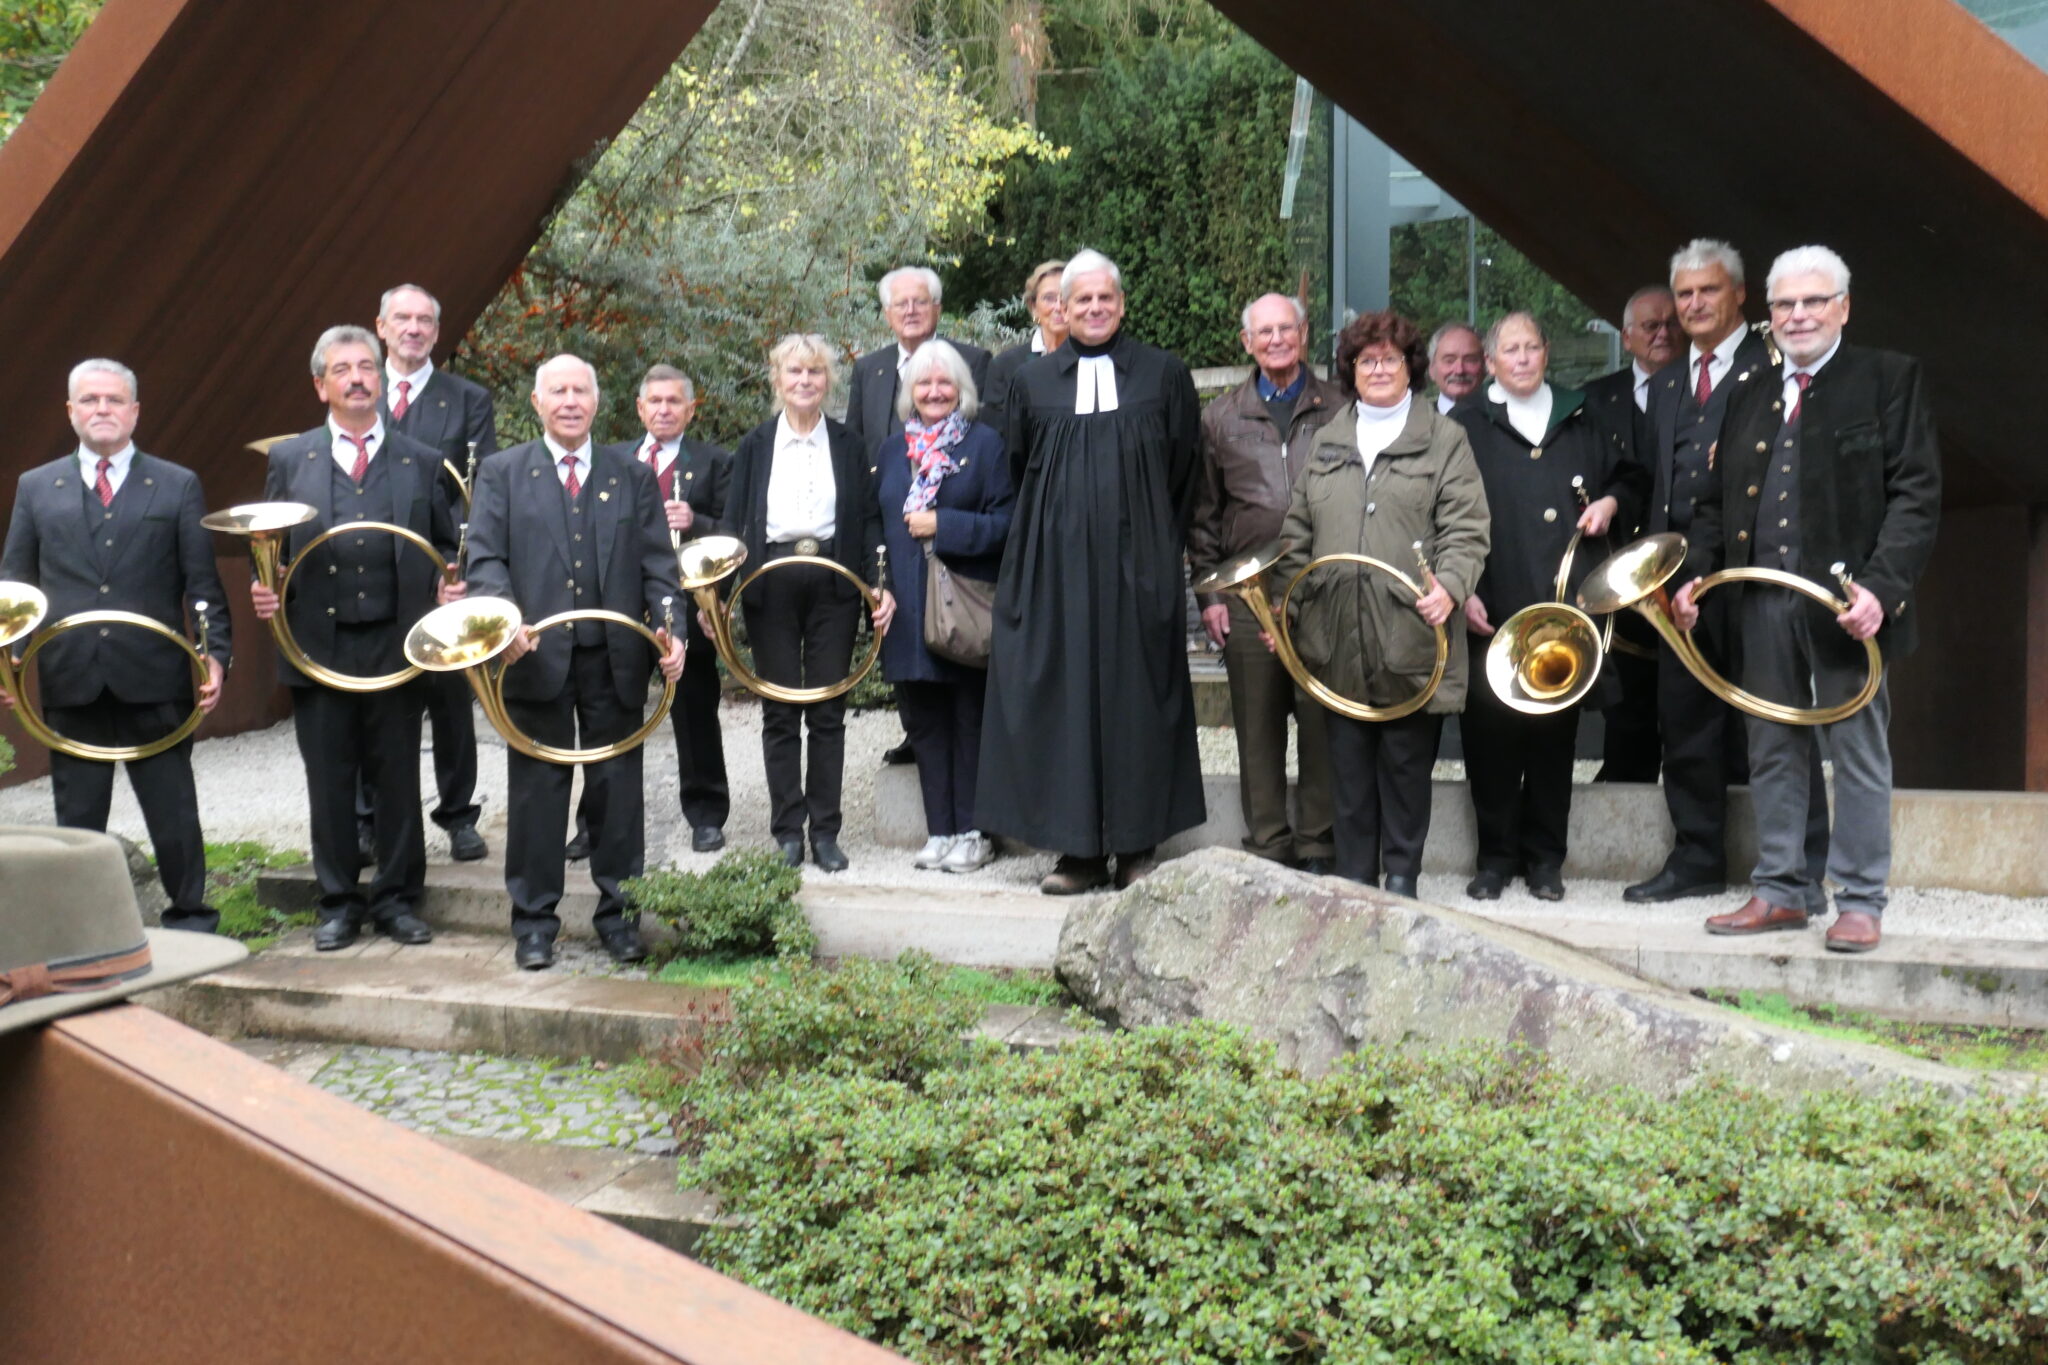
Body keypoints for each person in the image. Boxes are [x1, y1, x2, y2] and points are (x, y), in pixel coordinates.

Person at [1675, 246, 1940, 953]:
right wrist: (1695, 575)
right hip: (1759, 599)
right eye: (1785, 304)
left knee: (1857, 749)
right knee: (1771, 746)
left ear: (1843, 307)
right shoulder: (1748, 390)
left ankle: (1858, 899)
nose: (1798, 316)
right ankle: (1783, 889)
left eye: (1813, 302)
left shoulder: (1887, 378)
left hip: (1849, 610)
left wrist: (1881, 591)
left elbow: (1916, 497)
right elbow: (1712, 502)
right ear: (1769, 314)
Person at [978, 248, 1205, 893]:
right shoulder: (1033, 381)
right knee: (1063, 703)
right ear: (1061, 309)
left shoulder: (1162, 375)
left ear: (1122, 304)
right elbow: (1022, 468)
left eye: (1106, 298)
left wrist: (1155, 543)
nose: (1095, 308)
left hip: (1139, 572)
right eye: (1082, 301)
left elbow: (1184, 469)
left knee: (1139, 702)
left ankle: (1136, 848)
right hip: (1056, 575)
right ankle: (1076, 853)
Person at [464, 355, 685, 971]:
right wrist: (503, 624)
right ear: (536, 402)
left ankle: (620, 917)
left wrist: (673, 631)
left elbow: (658, 568)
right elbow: (484, 563)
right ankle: (534, 923)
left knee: (619, 795)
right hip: (534, 660)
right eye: (556, 390)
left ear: (597, 400)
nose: (569, 400)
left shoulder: (632, 474)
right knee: (537, 795)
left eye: (580, 390)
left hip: (615, 661)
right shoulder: (504, 473)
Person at [1, 359, 233, 932]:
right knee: (76, 822)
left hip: (154, 676)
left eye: (113, 400)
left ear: (134, 411)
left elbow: (202, 584)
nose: (101, 410)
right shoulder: (36, 487)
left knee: (174, 812)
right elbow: (15, 586)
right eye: (89, 400)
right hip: (70, 678)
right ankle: (78, 930)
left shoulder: (177, 483)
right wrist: (10, 661)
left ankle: (191, 920)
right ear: (71, 412)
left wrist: (217, 654)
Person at [1269, 311, 1489, 894]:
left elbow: (1467, 527)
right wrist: (1281, 611)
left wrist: (1451, 584)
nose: (1379, 369)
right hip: (1336, 634)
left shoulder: (1445, 439)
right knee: (1346, 768)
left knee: (1405, 766)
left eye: (1391, 359)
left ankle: (1402, 877)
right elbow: (1296, 535)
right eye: (1368, 360)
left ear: (1410, 368)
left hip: (1411, 633)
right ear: (1351, 370)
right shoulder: (1328, 441)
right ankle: (1355, 879)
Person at [251, 326, 456, 951]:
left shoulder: (419, 459)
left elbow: (447, 542)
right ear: (321, 385)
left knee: (396, 777)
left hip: (398, 644)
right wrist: (270, 587)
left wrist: (451, 584)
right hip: (318, 646)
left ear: (382, 378)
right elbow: (273, 545)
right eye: (343, 369)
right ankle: (337, 902)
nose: (358, 378)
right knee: (330, 780)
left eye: (367, 366)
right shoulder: (291, 460)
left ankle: (396, 899)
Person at [1456, 311, 1646, 901]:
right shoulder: (1464, 425)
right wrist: (1461, 588)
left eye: (1530, 348)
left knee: (1552, 740)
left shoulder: (1584, 416)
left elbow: (1633, 480)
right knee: (1488, 740)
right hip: (1491, 603)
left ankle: (1545, 861)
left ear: (1546, 353)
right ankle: (1494, 859)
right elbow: (1441, 513)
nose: (1520, 359)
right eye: (1508, 350)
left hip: (1563, 613)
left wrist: (1612, 502)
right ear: (1490, 362)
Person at [1627, 238, 1795, 905]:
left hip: (1747, 582)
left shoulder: (1775, 366)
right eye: (1686, 293)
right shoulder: (1667, 381)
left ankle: (1790, 869)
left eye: (1709, 291)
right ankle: (1696, 858)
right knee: (1685, 722)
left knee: (1772, 727)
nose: (1694, 305)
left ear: (1739, 295)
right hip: (1675, 590)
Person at [723, 334, 896, 873]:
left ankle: (825, 831)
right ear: (777, 379)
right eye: (794, 372)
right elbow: (732, 523)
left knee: (827, 709)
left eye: (815, 373)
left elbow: (867, 520)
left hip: (834, 583)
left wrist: (876, 584)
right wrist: (721, 602)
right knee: (778, 709)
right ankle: (786, 831)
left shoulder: (848, 445)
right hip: (769, 583)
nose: (804, 382)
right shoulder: (754, 444)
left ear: (828, 382)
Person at [1187, 292, 1344, 873]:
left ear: (1304, 336)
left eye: (1287, 329)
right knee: (1256, 724)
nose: (1277, 340)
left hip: (1324, 584)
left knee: (1322, 716)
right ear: (1247, 342)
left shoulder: (1341, 407)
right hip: (1248, 592)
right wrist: (1209, 594)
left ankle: (1319, 843)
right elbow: (1203, 512)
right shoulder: (1219, 417)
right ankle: (1269, 843)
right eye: (1265, 332)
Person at [573, 364, 733, 860]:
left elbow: (735, 530)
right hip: (620, 606)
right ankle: (593, 823)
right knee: (610, 717)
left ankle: (706, 815)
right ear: (639, 409)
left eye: (674, 402)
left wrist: (698, 520)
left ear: (691, 408)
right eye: (655, 402)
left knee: (694, 711)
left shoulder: (715, 462)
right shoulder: (609, 459)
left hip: (684, 605)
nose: (664, 410)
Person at [366, 282, 498, 863]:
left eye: (424, 320)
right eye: (403, 318)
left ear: (437, 332)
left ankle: (458, 815)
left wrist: (461, 565)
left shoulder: (467, 398)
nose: (413, 328)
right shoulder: (357, 390)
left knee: (449, 699)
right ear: (381, 326)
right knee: (373, 699)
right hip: (371, 570)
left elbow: (480, 487)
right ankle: (368, 817)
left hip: (443, 572)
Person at [873, 340, 1013, 873]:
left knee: (968, 721)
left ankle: (975, 832)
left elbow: (1007, 523)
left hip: (964, 606)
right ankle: (940, 830)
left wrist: (945, 526)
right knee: (925, 724)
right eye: (924, 384)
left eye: (944, 383)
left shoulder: (985, 445)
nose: (934, 392)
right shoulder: (891, 450)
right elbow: (874, 523)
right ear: (910, 392)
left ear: (962, 391)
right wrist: (876, 585)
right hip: (905, 607)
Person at [844, 266, 990, 768]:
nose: (910, 311)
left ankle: (961, 744)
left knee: (955, 639)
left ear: (937, 309)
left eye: (920, 302)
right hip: (891, 528)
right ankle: (916, 732)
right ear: (887, 314)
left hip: (950, 529)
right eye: (900, 304)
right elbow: (857, 444)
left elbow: (984, 448)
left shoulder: (972, 362)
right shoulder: (871, 369)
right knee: (900, 631)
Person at [1583, 285, 1679, 784]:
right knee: (1628, 700)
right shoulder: (1595, 399)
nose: (1662, 333)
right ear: (1626, 338)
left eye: (1670, 324)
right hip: (1617, 571)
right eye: (1650, 326)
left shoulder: (1701, 389)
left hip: (1684, 570)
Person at [981, 258, 1067, 438]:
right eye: (1049, 298)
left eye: (1066, 297)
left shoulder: (1093, 361)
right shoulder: (1005, 366)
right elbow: (995, 436)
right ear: (1033, 307)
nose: (1058, 307)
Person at [1426, 322, 1484, 414]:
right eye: (1449, 361)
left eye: (1470, 360)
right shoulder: (1409, 423)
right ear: (1432, 369)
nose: (1459, 370)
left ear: (1486, 367)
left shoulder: (1505, 422)